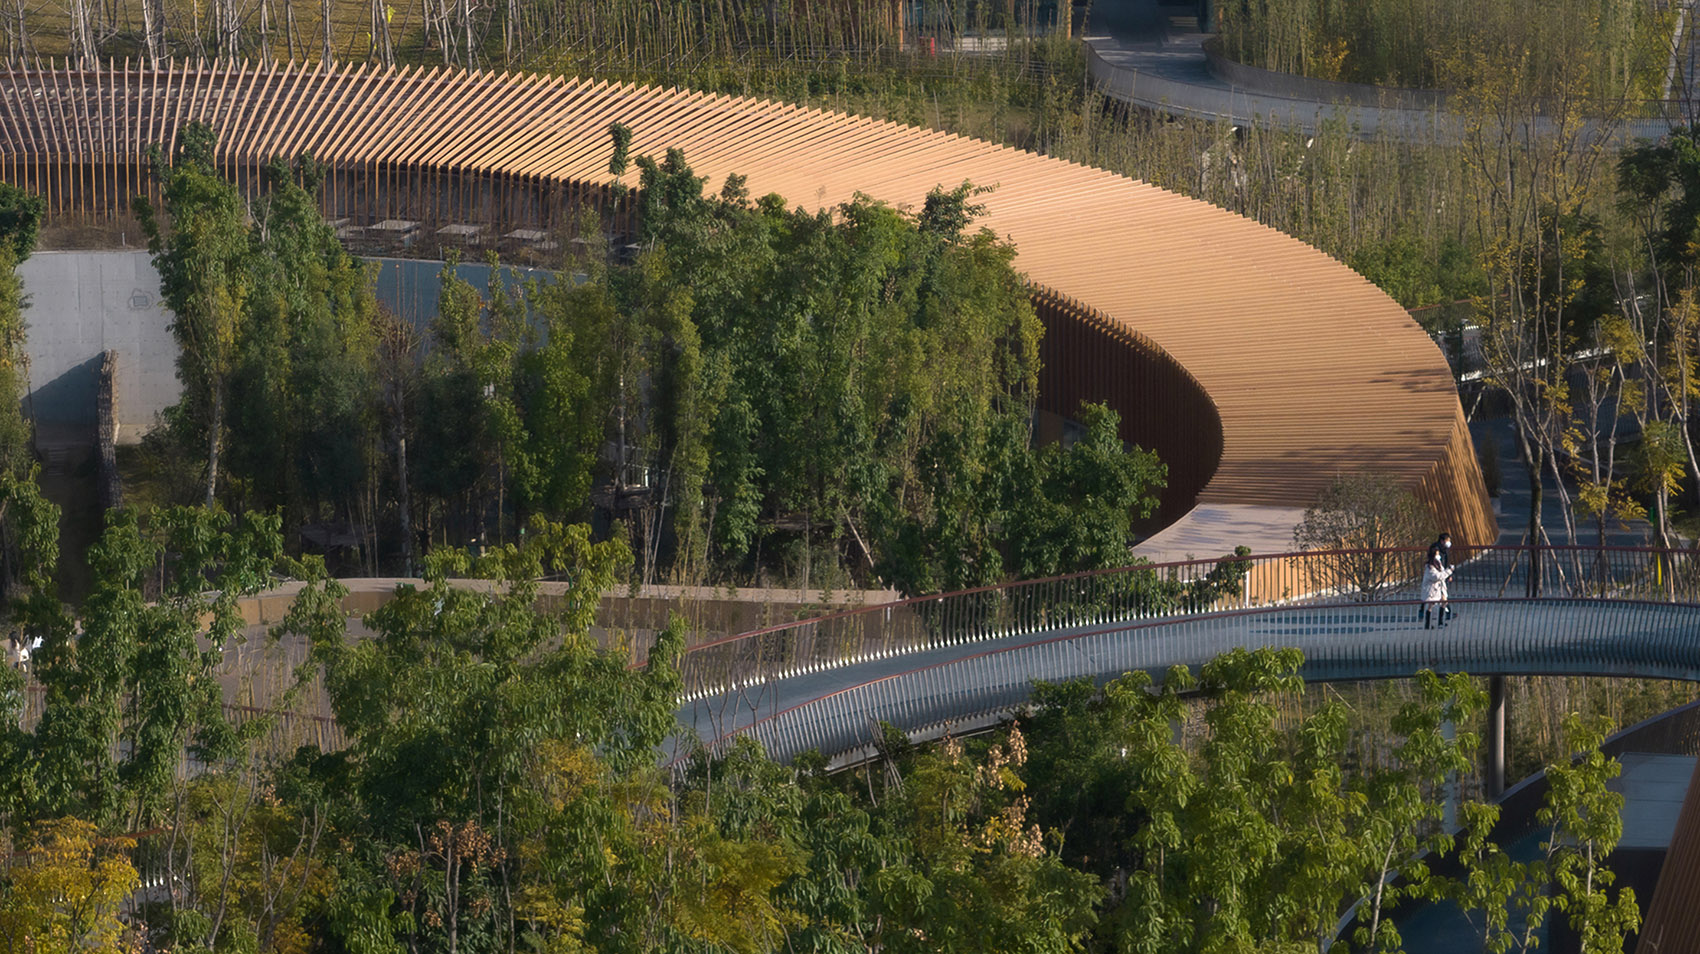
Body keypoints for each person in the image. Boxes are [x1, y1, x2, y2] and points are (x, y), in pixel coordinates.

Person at [1422, 532, 1453, 629]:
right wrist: (1449, 571)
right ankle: (1428, 623)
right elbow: (1437, 576)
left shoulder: (1438, 562)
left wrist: (1447, 574)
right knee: (1431, 605)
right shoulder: (1430, 566)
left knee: (1444, 601)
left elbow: (1442, 571)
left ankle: (1440, 622)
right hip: (1433, 588)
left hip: (1439, 587)